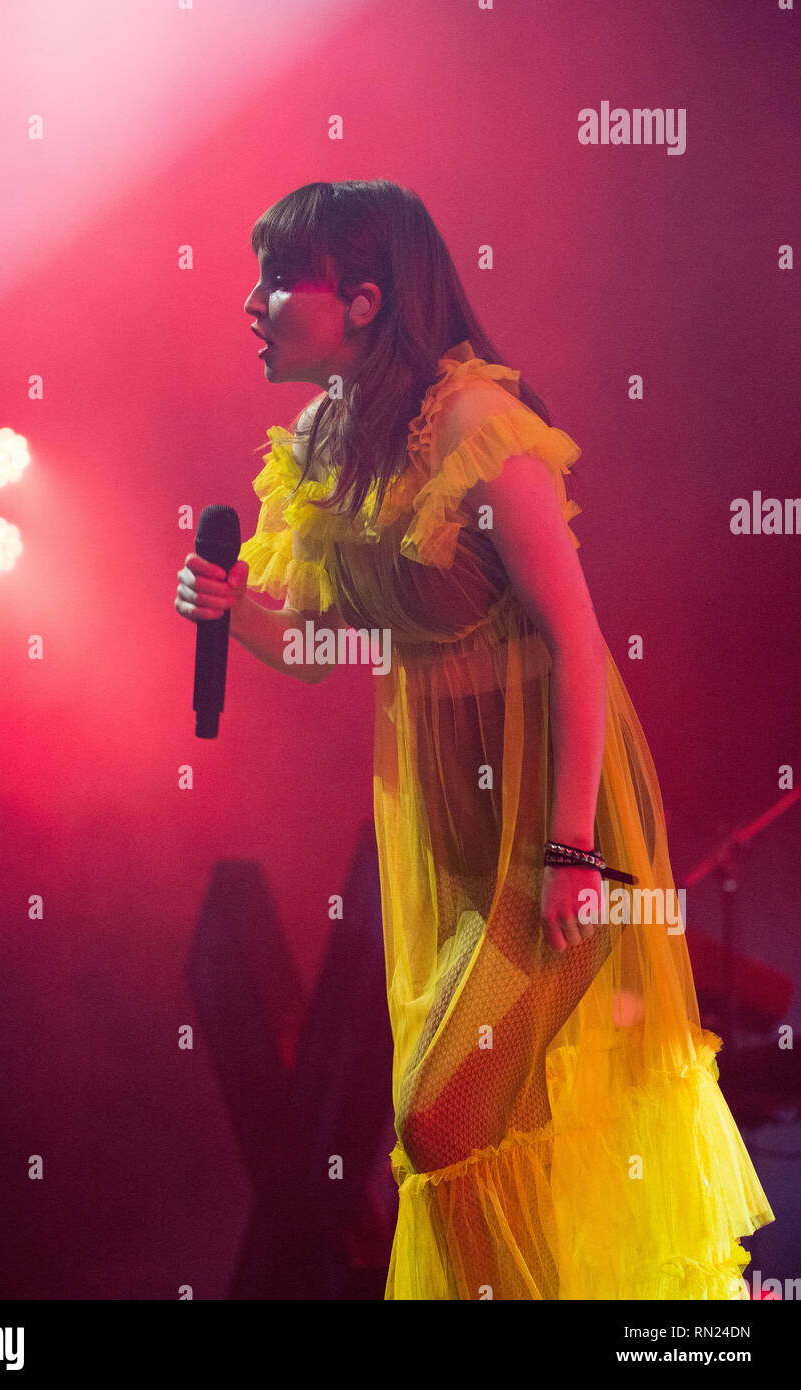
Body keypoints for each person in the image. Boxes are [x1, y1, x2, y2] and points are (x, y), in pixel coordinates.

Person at [175, 180, 775, 1300]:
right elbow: (314, 649)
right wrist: (232, 613)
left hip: (555, 817)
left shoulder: (472, 425)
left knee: (439, 1119)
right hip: (446, 822)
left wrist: (568, 847)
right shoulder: (321, 441)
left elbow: (579, 640)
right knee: (484, 1128)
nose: (249, 303)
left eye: (274, 280)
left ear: (360, 300)